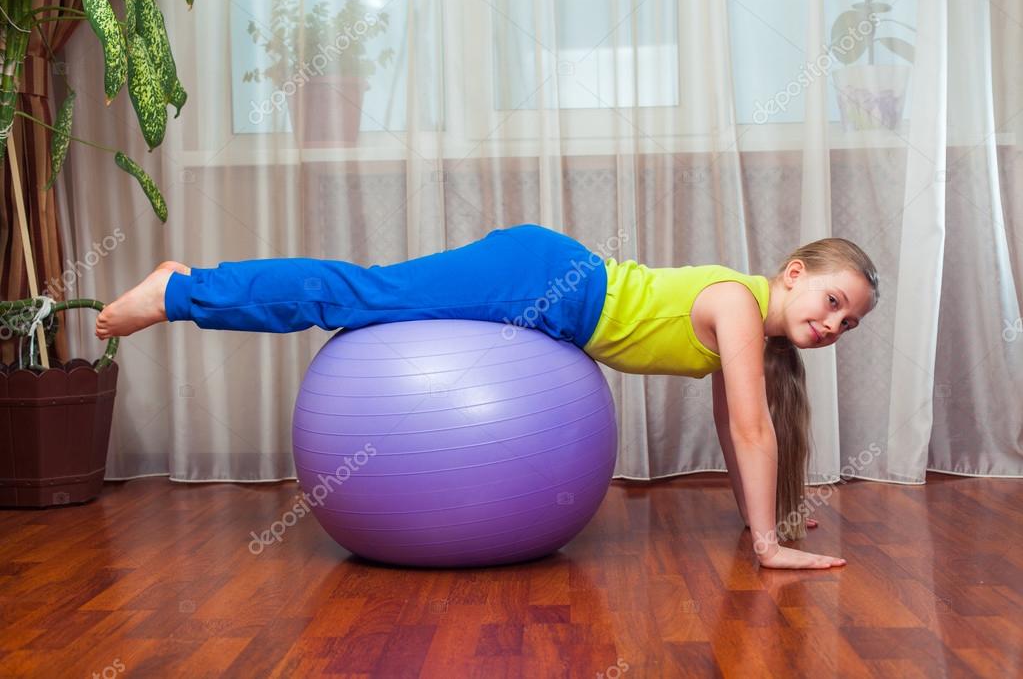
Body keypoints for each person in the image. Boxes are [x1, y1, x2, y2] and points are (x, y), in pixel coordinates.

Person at [94, 223, 878, 570]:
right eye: (832, 301)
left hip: (548, 293)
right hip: (537, 280)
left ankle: (187, 286)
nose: (833, 324)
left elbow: (736, 430)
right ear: (793, 273)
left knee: (362, 294)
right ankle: (180, 291)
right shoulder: (738, 305)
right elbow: (749, 428)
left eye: (848, 323)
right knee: (357, 295)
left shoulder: (751, 327)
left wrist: (766, 518)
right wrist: (767, 547)